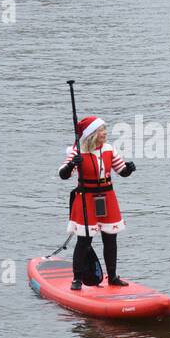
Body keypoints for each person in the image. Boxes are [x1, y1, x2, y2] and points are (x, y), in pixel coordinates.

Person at [58, 115, 136, 290]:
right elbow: (63, 175)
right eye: (102, 130)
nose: (105, 133)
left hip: (107, 198)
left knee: (110, 239)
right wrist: (72, 165)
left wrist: (129, 169)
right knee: (84, 241)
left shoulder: (109, 149)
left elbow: (121, 170)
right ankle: (77, 279)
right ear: (92, 134)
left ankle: (113, 277)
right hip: (86, 199)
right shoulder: (76, 152)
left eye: (105, 130)